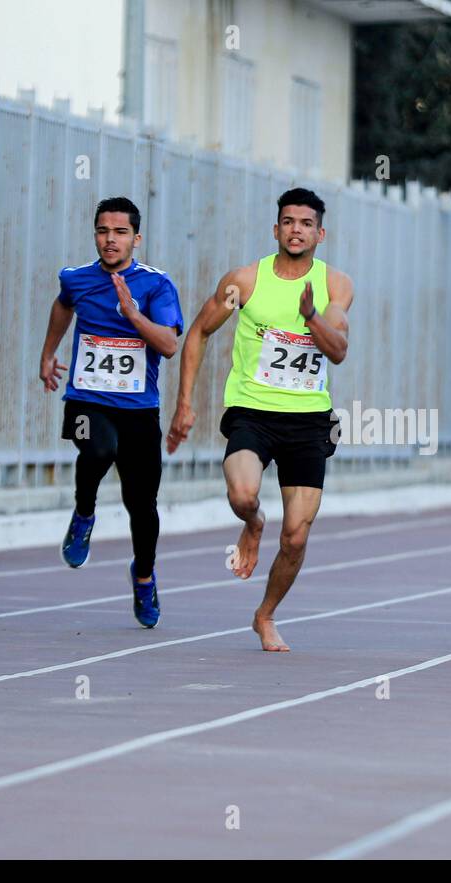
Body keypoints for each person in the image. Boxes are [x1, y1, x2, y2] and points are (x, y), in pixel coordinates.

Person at [167, 188, 352, 652]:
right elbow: (199, 332)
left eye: (306, 223)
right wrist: (184, 402)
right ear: (276, 229)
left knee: (296, 535)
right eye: (288, 222)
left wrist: (311, 315)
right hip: (253, 412)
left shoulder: (336, 285)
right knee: (243, 492)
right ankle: (251, 523)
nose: (296, 230)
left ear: (320, 233)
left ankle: (265, 615)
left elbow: (339, 350)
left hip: (309, 420)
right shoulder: (244, 282)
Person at [38, 196, 183, 629]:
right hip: (87, 399)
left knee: (142, 504)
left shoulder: (156, 285)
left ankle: (143, 577)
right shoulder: (76, 278)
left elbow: (169, 345)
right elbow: (64, 304)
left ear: (136, 238)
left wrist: (133, 314)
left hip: (139, 408)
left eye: (120, 232)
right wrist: (48, 354)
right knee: (97, 450)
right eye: (103, 230)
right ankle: (84, 513)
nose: (110, 239)